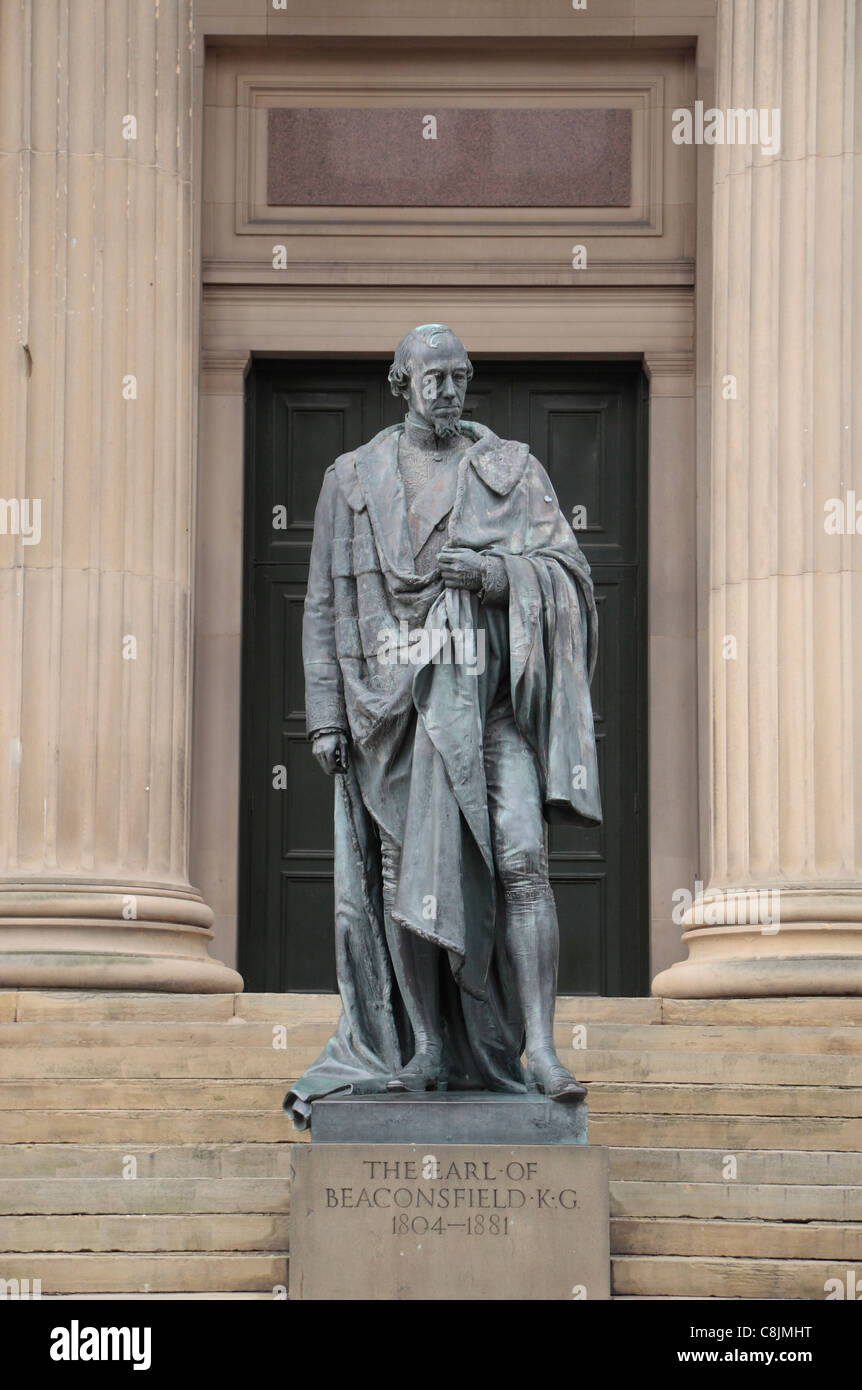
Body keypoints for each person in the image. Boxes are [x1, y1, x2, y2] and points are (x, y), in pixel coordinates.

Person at [285, 324, 601, 1129]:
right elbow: (322, 605)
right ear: (401, 381)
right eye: (434, 377)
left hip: (486, 707)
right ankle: (425, 1044)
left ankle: (540, 1047)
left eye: (461, 376)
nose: (450, 390)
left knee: (525, 856)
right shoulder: (350, 480)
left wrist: (499, 575)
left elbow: (570, 575)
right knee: (404, 883)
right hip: (387, 714)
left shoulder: (510, 471)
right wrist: (326, 717)